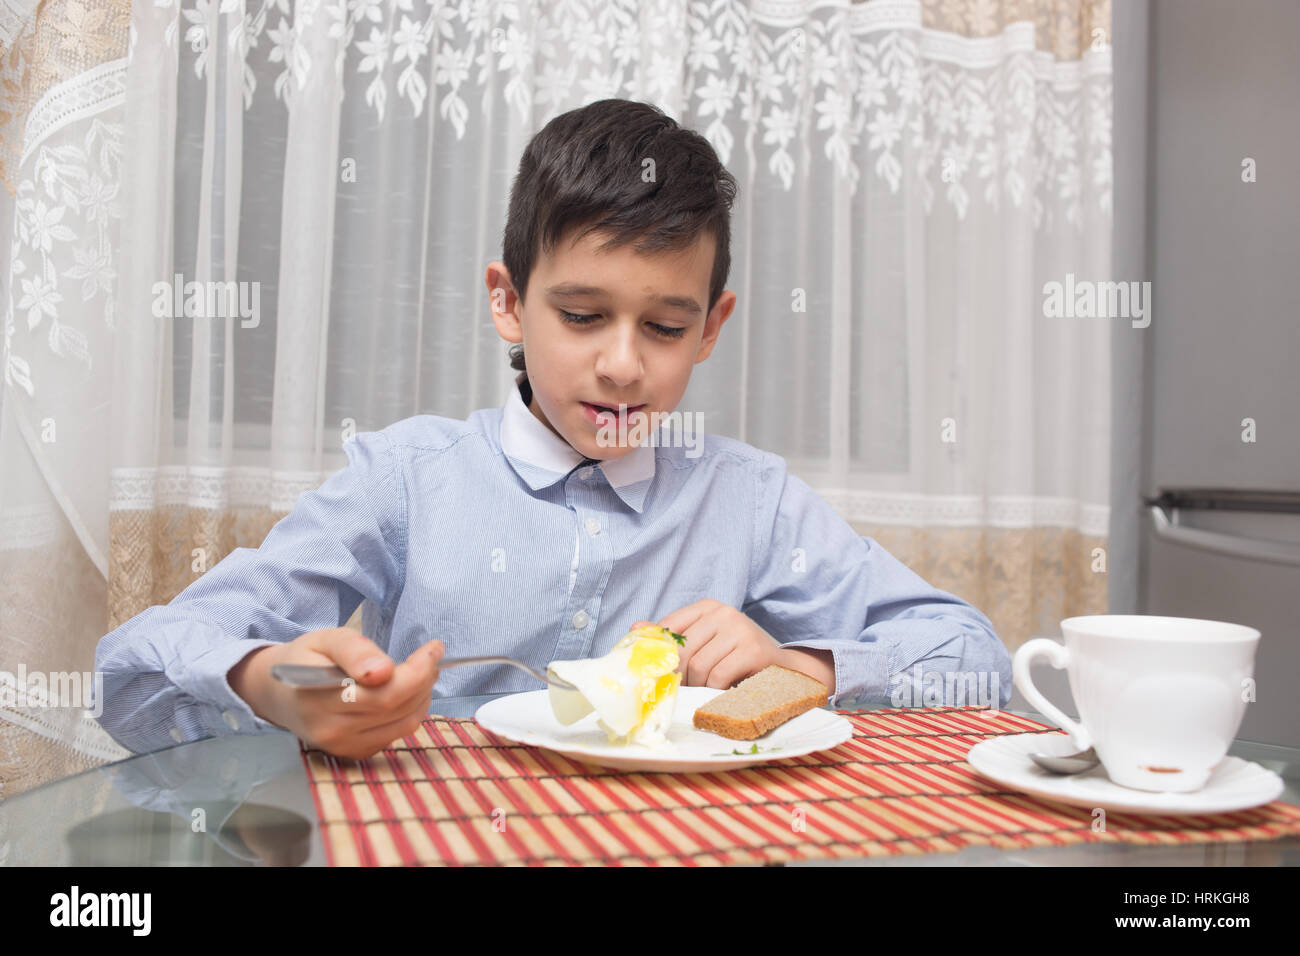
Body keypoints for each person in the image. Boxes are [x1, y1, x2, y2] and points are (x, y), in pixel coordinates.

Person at [94, 99, 1011, 760]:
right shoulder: (407, 480)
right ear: (508, 302)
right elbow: (132, 671)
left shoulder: (752, 500)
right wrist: (271, 684)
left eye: (663, 327)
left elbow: (977, 660)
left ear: (712, 328)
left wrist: (806, 665)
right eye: (581, 316)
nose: (622, 365)